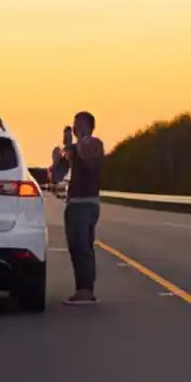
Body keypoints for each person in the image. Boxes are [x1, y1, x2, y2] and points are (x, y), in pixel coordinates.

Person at [60, 111, 104, 305]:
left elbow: (89, 165)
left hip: (86, 203)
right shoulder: (75, 148)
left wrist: (75, 146)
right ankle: (81, 289)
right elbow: (58, 175)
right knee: (75, 247)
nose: (76, 127)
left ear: (88, 125)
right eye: (74, 124)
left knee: (83, 245)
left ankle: (87, 291)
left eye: (79, 124)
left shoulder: (94, 144)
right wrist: (61, 155)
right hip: (73, 203)